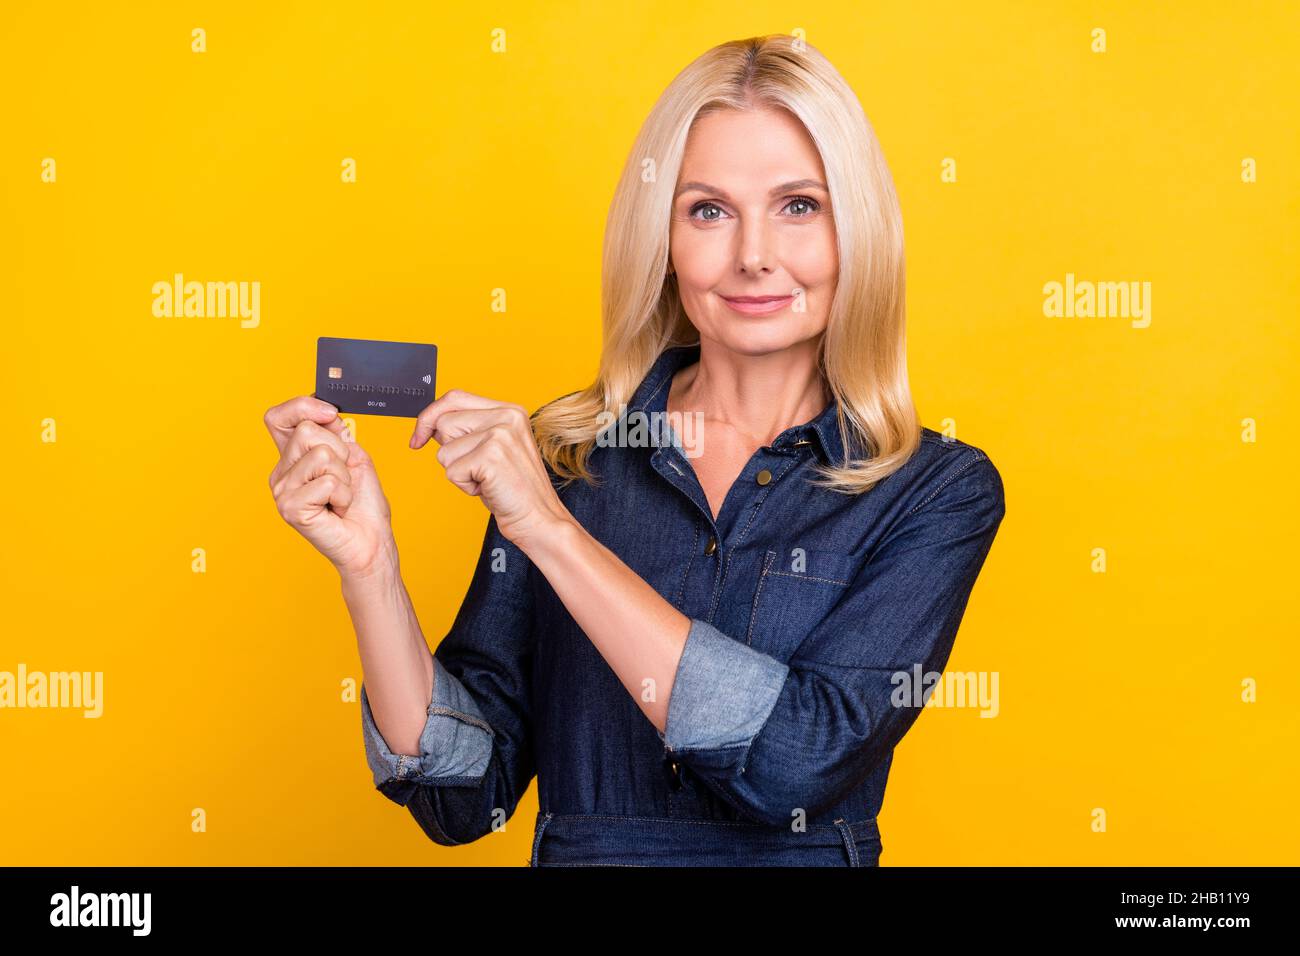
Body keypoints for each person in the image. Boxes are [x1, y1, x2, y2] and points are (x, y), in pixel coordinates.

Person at [263, 34, 1006, 866]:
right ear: (663, 239)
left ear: (857, 229)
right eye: (709, 210)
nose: (754, 254)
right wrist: (369, 569)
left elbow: (794, 764)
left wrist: (551, 533)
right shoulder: (565, 458)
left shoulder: (937, 489)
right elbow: (464, 793)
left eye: (800, 205)